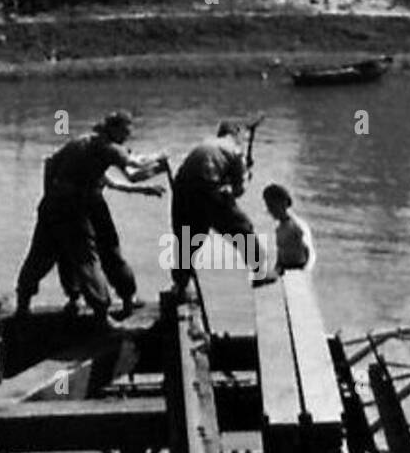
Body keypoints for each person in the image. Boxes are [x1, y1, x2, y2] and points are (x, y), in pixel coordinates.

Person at [15, 112, 165, 323]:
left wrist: (145, 188)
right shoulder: (106, 147)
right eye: (125, 132)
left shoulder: (83, 144)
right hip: (72, 205)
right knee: (87, 257)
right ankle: (102, 314)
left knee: (43, 254)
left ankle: (24, 304)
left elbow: (53, 164)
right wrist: (160, 158)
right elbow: (135, 165)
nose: (127, 138)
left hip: (54, 204)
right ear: (113, 129)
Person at [170, 121, 259, 288]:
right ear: (236, 134)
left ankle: (180, 284)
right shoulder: (234, 148)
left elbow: (207, 167)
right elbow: (238, 191)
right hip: (207, 187)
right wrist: (247, 177)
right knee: (243, 228)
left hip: (182, 188)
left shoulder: (207, 143)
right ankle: (261, 271)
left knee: (188, 240)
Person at [262, 183, 315, 275]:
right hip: (286, 273)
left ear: (284, 203)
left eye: (272, 206)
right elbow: (280, 258)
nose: (269, 210)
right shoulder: (279, 228)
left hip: (298, 274)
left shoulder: (297, 226)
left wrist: (303, 273)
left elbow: (309, 253)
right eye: (268, 206)